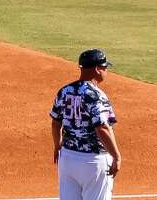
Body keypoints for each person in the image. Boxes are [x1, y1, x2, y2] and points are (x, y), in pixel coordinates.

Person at [50, 48, 122, 200]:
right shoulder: (97, 96)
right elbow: (102, 128)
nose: (106, 71)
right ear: (97, 69)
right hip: (93, 161)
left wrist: (58, 145)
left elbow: (56, 123)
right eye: (104, 67)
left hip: (68, 159)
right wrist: (116, 156)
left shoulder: (65, 91)